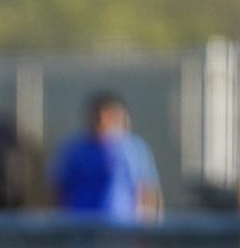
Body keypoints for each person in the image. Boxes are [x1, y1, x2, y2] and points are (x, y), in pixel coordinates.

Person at [50, 93, 162, 224]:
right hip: (81, 226)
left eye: (109, 117)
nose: (103, 122)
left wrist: (148, 229)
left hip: (122, 227)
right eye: (98, 117)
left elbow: (148, 190)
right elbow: (59, 191)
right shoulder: (74, 150)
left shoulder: (134, 149)